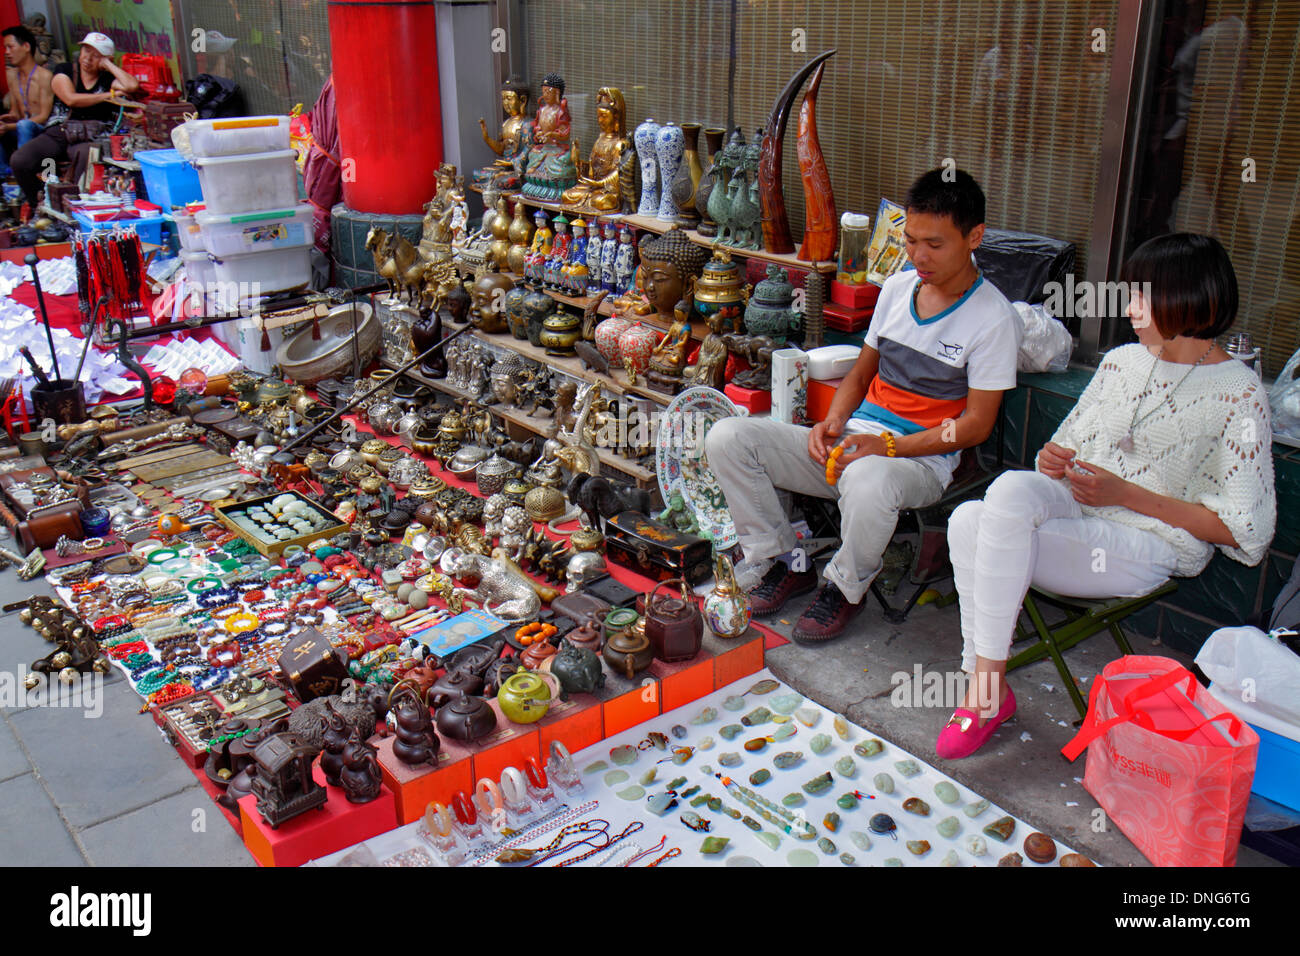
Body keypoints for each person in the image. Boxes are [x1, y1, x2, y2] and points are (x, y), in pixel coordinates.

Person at [938, 233, 1276, 759]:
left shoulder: (1238, 392)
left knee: (974, 524)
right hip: (1077, 513)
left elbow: (1245, 531)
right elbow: (1062, 456)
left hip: (1148, 543)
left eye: (1140, 295)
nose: (1129, 306)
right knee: (981, 508)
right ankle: (986, 686)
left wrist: (1127, 494)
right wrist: (1053, 460)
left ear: (1182, 298)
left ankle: (983, 693)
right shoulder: (1121, 361)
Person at [706, 168, 1021, 644]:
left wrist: (888, 448)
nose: (918, 256)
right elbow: (861, 372)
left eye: (935, 245)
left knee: (869, 477)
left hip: (919, 460)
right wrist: (832, 421)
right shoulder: (897, 289)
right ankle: (783, 562)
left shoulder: (994, 318)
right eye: (911, 240)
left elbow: (975, 427)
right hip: (855, 441)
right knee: (729, 437)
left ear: (974, 236)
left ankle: (845, 588)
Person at [10, 32, 139, 210]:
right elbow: (71, 99)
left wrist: (108, 64)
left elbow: (132, 86)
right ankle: (40, 205)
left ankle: (74, 209)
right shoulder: (65, 70)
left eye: (96, 56)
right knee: (20, 160)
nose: (88, 58)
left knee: (87, 159)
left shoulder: (108, 79)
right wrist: (108, 96)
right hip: (60, 131)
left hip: (91, 137)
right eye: (86, 51)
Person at [0, 25, 53, 174]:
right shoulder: (12, 75)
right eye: (5, 48)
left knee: (24, 125)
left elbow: (44, 116)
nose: (7, 53)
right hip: (20, 127)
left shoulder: (45, 76)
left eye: (10, 47)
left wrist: (11, 126)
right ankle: (4, 174)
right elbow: (16, 113)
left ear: (26, 46)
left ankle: (22, 170)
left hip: (40, 130)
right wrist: (8, 119)